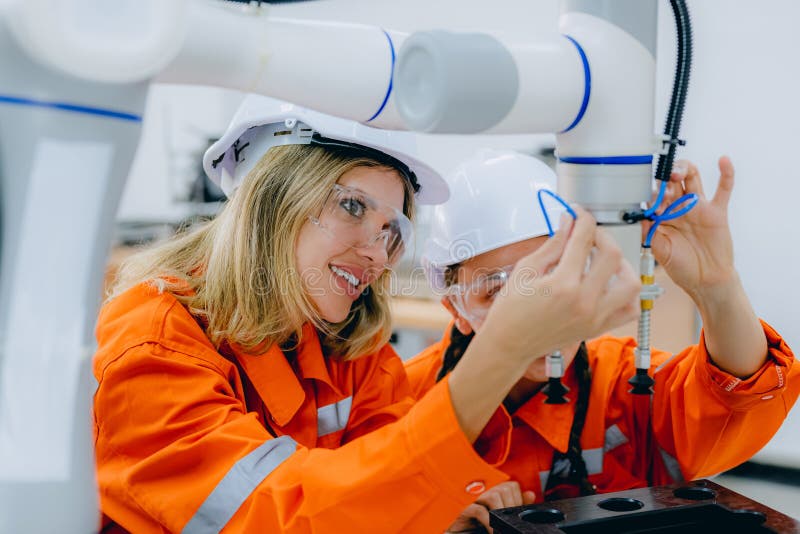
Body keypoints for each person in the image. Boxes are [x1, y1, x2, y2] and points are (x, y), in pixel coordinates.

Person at [93, 97, 640, 533]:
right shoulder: (154, 339)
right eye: (352, 207)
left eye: (392, 230)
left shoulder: (351, 348)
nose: (378, 254)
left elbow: (388, 484)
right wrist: (505, 349)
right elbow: (276, 516)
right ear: (270, 194)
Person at [405, 148, 799, 533]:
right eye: (497, 290)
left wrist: (717, 286)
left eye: (555, 275)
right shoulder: (403, 403)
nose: (538, 312)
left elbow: (739, 392)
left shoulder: (622, 384)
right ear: (456, 309)